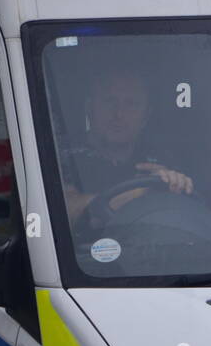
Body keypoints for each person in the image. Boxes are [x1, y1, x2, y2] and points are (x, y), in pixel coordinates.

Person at [61, 70, 194, 229]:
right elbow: (66, 210)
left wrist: (175, 183)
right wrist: (143, 193)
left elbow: (192, 212)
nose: (119, 114)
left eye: (131, 104)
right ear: (89, 108)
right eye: (109, 101)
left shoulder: (162, 157)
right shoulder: (62, 154)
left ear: (145, 116)